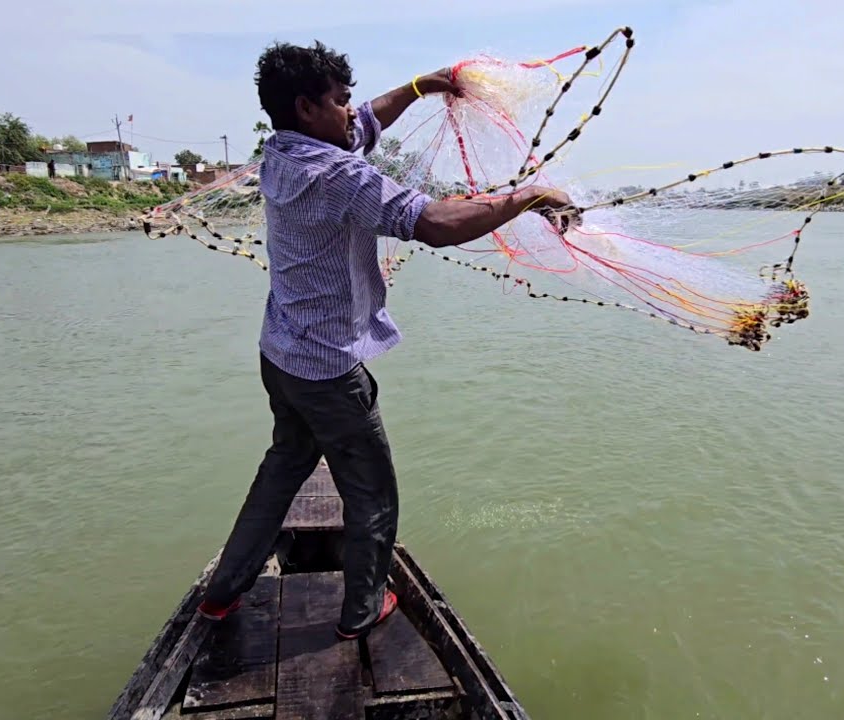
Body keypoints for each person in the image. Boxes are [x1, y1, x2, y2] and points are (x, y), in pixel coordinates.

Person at [196, 40, 576, 640]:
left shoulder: (280, 153)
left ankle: (221, 594)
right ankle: (362, 609)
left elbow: (365, 121)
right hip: (327, 370)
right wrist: (528, 196)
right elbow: (435, 224)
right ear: (306, 107)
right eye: (340, 102)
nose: (352, 112)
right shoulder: (336, 173)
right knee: (372, 492)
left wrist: (424, 85)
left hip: (282, 353)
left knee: (283, 468)